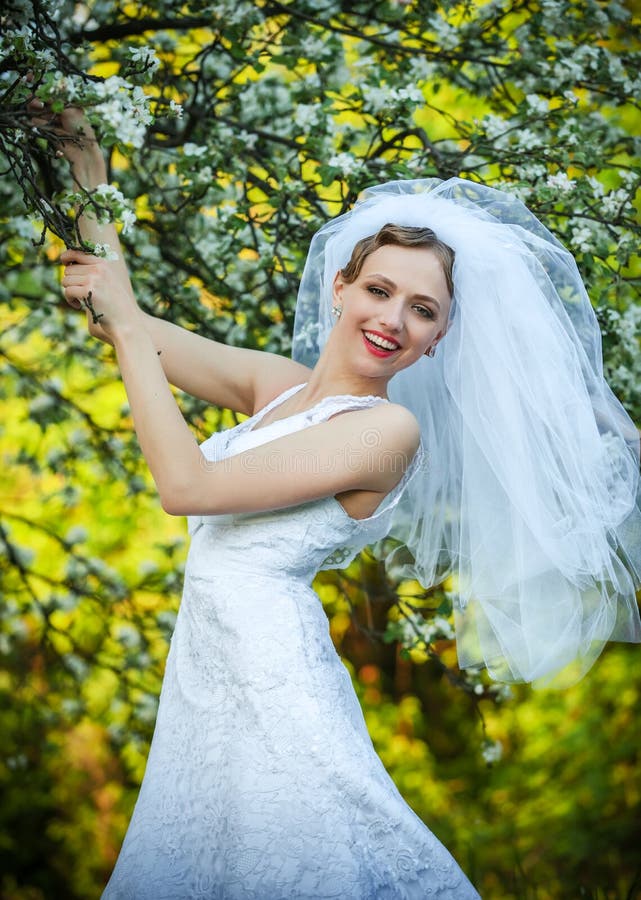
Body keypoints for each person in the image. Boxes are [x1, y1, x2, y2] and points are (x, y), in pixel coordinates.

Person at [37, 103, 641, 897]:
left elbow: (187, 487)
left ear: (439, 338)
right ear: (340, 286)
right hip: (210, 681)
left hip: (274, 685)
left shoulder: (386, 431)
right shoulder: (278, 390)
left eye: (422, 310)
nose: (393, 319)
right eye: (380, 290)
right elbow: (125, 327)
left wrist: (122, 315)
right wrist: (87, 167)